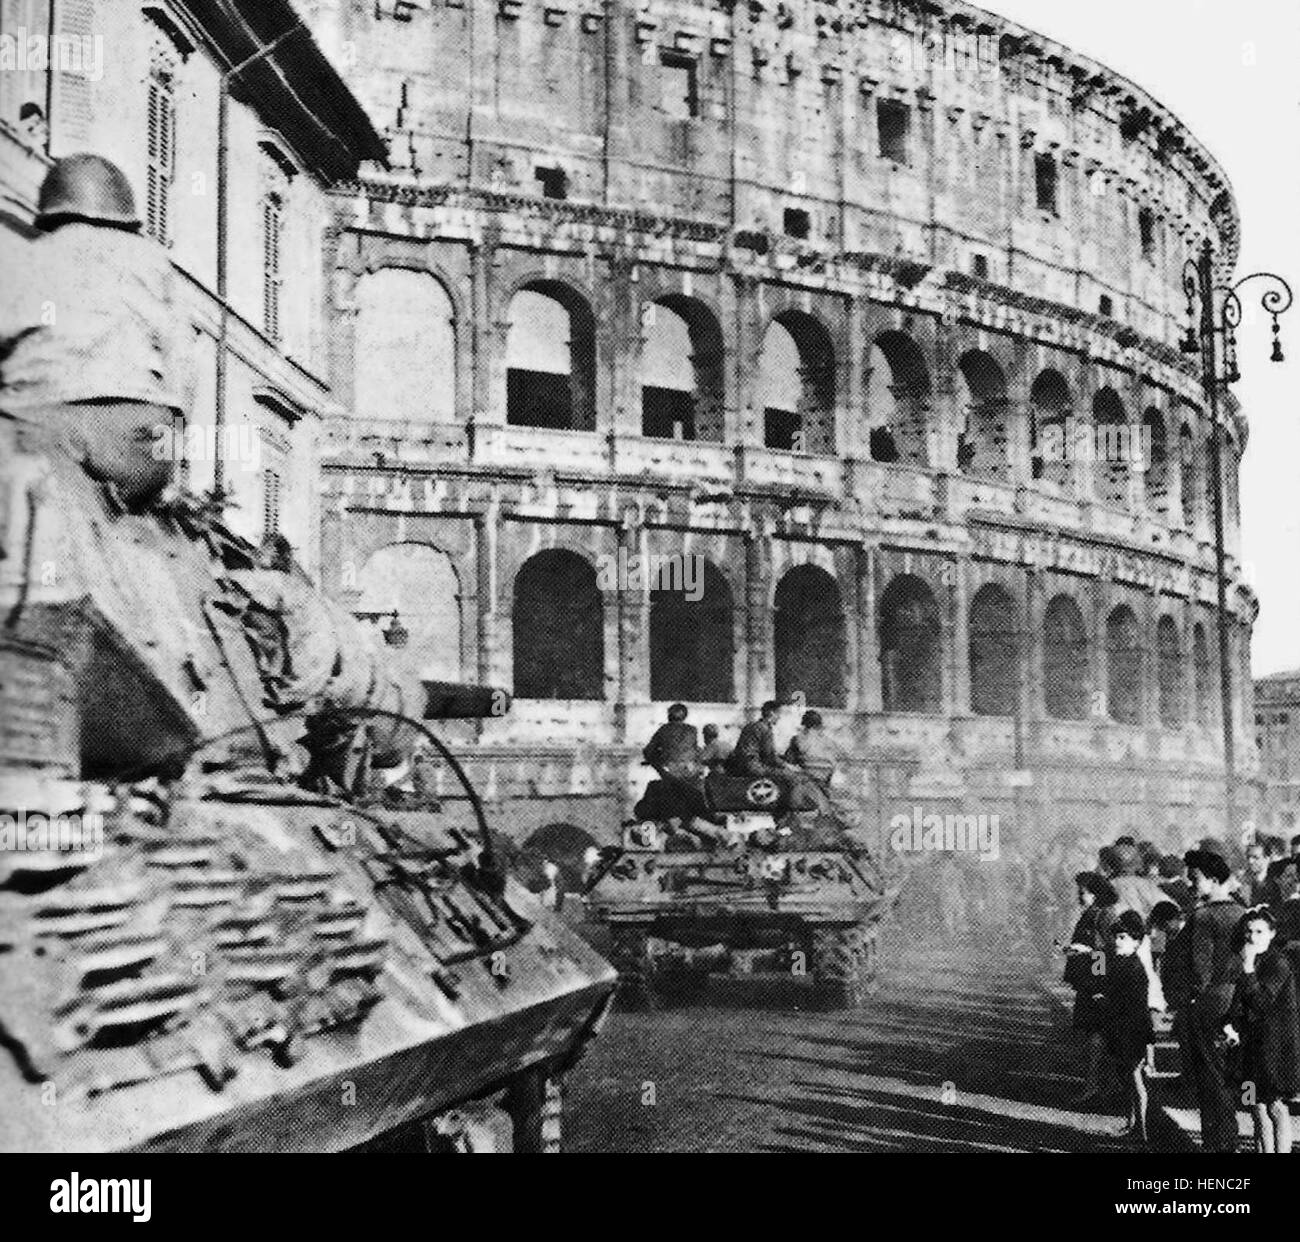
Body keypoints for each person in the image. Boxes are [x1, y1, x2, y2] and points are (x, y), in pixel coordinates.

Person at [0, 154, 191, 510]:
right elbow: (183, 361)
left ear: (52, 212)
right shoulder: (156, 262)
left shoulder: (36, 255)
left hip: (54, 428)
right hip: (148, 445)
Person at [1174, 849, 1245, 1153]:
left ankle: (1217, 1145)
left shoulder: (1203, 917)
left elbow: (1199, 968)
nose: (1190, 884)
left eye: (1195, 879)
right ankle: (1231, 1140)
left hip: (1209, 1002)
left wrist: (1188, 998)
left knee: (1209, 1075)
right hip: (1239, 1000)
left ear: (1213, 879)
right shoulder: (1244, 912)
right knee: (1232, 1076)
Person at [1223, 907, 1300, 1154]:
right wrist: (1227, 1023)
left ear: (1272, 933)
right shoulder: (1251, 961)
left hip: (1274, 1048)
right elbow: (1239, 1001)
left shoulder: (1277, 962)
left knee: (1275, 1105)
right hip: (1249, 1047)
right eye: (1249, 931)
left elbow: (1262, 1002)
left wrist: (1247, 967)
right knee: (1253, 1105)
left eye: (1259, 931)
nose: (1252, 937)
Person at [1064, 871, 1121, 1104]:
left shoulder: (1103, 916)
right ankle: (1105, 1085)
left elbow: (1108, 951)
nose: (1079, 895)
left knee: (1097, 1036)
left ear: (1096, 894)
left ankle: (1094, 1085)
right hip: (1091, 983)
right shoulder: (1094, 914)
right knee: (1097, 1036)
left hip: (1096, 985)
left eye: (1083, 892)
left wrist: (1097, 981)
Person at [1104, 909, 1155, 1144]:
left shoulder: (1135, 970)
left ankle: (1142, 1131)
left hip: (1133, 1033)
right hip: (1121, 1031)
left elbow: (1141, 1011)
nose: (1117, 941)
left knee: (1135, 1081)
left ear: (1137, 942)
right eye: (1116, 936)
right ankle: (1133, 1124)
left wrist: (1149, 1046)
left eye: (1123, 937)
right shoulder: (1121, 964)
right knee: (1128, 1079)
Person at [726, 700, 793, 779]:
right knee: (790, 775)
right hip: (753, 768)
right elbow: (770, 756)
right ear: (771, 713)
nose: (779, 717)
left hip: (738, 766)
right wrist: (788, 766)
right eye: (778, 713)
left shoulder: (749, 725)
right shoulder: (766, 729)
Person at [642, 702, 700, 780]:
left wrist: (654, 759)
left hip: (670, 769)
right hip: (690, 769)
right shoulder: (692, 730)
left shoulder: (664, 729)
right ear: (685, 716)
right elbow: (694, 748)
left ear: (669, 715)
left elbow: (648, 750)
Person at [1239, 840, 1277, 908]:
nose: (1250, 861)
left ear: (1267, 859)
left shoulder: (1275, 884)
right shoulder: (1242, 883)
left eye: (1255, 857)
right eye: (1248, 857)